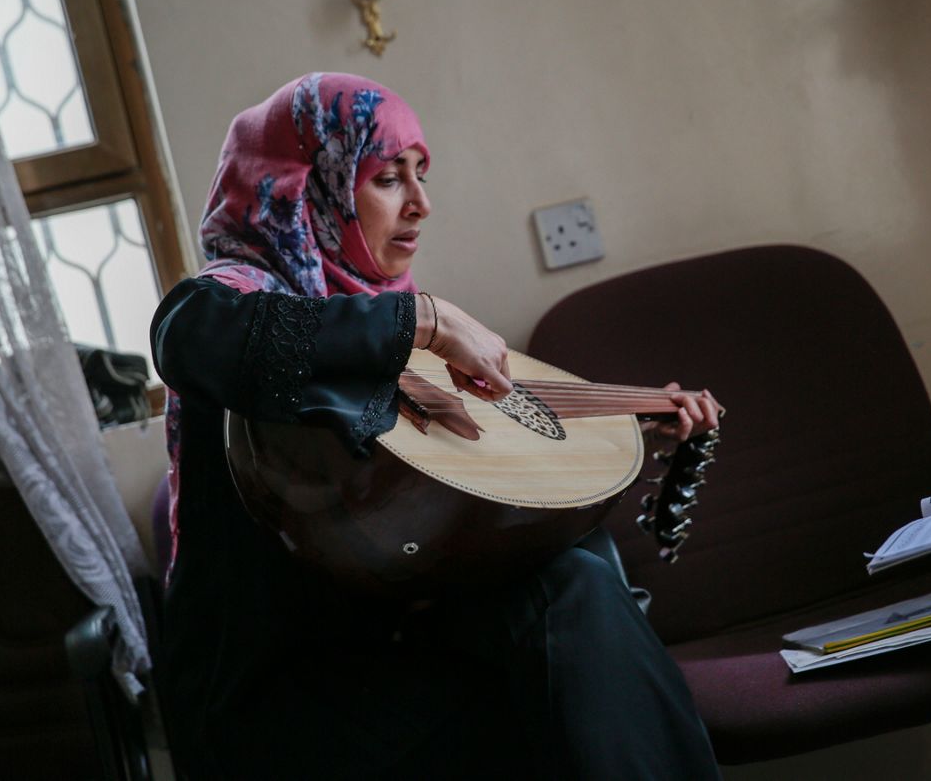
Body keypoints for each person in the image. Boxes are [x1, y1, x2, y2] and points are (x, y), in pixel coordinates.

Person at [150, 72, 724, 779]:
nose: (422, 203)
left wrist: (620, 426)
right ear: (313, 188)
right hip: (285, 702)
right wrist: (429, 318)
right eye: (389, 178)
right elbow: (188, 333)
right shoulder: (248, 295)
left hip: (397, 653)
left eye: (421, 175)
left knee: (572, 589)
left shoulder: (376, 327)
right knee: (570, 646)